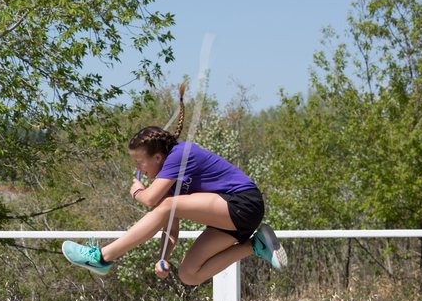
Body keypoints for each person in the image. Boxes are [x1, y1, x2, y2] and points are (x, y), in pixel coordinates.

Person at [61, 90, 287, 284]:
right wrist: (163, 257)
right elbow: (170, 228)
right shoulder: (167, 181)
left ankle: (102, 257)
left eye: (139, 162)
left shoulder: (180, 154)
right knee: (189, 274)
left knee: (166, 204)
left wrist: (139, 191)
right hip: (231, 221)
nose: (138, 168)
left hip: (243, 202)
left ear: (158, 157)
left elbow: (150, 200)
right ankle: (255, 245)